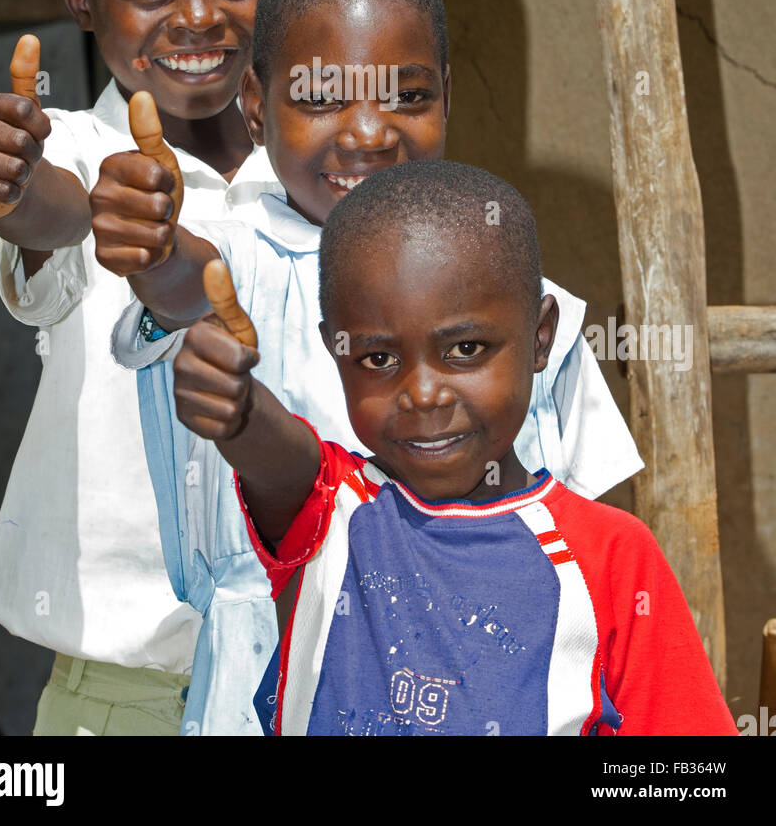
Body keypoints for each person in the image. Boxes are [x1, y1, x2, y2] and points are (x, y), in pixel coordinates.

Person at [98, 0, 643, 735]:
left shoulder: (526, 304)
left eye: (406, 97)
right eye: (321, 98)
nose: (367, 133)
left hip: (492, 689)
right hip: (254, 687)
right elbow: (182, 282)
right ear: (253, 104)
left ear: (446, 98)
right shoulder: (231, 259)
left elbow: (595, 543)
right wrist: (151, 248)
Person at [176, 159, 738, 737]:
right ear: (335, 350)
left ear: (541, 337)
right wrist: (239, 407)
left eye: (466, 348)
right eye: (378, 359)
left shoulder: (612, 557)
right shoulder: (329, 514)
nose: (422, 394)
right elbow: (273, 450)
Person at [0, 0, 277, 736]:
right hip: (125, 705)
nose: (199, 16)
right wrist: (16, 189)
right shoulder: (73, 151)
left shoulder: (324, 181)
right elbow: (57, 210)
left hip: (315, 679)